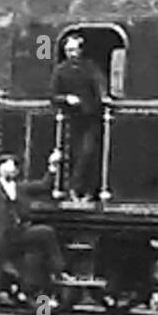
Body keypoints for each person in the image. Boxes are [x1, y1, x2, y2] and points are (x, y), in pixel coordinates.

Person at [0, 150, 67, 315]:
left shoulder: (20, 187)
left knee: (45, 235)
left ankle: (57, 274)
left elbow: (44, 185)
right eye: (6, 166)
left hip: (18, 234)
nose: (10, 170)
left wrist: (52, 167)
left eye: (12, 166)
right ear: (0, 169)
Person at [51, 35, 107, 202]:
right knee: (76, 154)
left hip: (92, 116)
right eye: (68, 50)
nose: (72, 53)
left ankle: (86, 189)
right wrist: (66, 99)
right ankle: (75, 190)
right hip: (73, 119)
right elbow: (53, 96)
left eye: (75, 50)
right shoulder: (60, 71)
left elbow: (100, 84)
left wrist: (104, 97)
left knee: (89, 152)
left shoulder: (91, 67)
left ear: (81, 50)